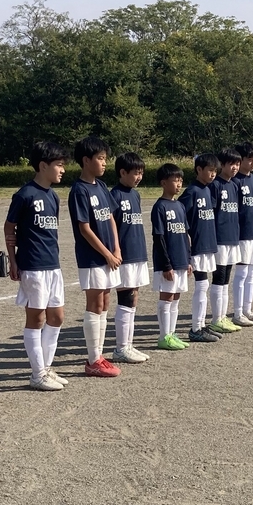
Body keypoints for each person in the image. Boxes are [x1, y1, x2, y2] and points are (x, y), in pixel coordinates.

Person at [5, 141, 69, 392]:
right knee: (37, 317)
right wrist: (12, 259)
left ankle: (46, 367)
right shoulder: (24, 194)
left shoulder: (53, 196)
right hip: (32, 265)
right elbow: (9, 228)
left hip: (52, 265)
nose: (63, 170)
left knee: (57, 316)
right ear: (43, 165)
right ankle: (37, 373)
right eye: (59, 165)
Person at [69, 136, 123, 378]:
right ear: (86, 160)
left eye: (105, 159)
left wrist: (117, 249)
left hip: (109, 255)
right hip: (92, 257)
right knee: (94, 304)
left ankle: (99, 355)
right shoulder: (79, 190)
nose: (104, 163)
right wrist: (106, 254)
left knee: (105, 302)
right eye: (100, 159)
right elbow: (84, 228)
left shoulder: (101, 186)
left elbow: (110, 217)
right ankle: (92, 360)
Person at [110, 152, 151, 364]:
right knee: (125, 298)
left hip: (138, 253)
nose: (139, 177)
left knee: (134, 297)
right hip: (123, 256)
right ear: (122, 172)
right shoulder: (114, 195)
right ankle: (120, 348)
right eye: (135, 173)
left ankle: (128, 344)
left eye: (141, 173)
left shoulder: (135, 195)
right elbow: (110, 228)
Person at [179, 153, 223, 343]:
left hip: (207, 244)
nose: (213, 174)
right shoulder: (192, 191)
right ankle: (196, 327)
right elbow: (180, 214)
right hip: (196, 245)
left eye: (215, 171)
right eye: (210, 170)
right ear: (199, 170)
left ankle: (201, 325)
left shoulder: (208, 190)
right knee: (201, 285)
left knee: (204, 285)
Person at [151, 163, 192, 350]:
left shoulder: (180, 206)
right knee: (166, 297)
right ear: (163, 182)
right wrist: (166, 265)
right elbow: (159, 238)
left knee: (176, 297)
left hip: (181, 259)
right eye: (175, 180)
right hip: (168, 262)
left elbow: (185, 234)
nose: (179, 184)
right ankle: (164, 336)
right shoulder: (160, 207)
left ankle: (172, 333)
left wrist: (188, 260)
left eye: (181, 180)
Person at [207, 148, 243, 334]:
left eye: (237, 163)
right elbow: (211, 214)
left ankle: (222, 317)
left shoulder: (234, 185)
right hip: (220, 240)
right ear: (222, 164)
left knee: (226, 279)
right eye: (231, 164)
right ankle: (215, 319)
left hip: (232, 239)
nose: (235, 167)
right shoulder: (215, 185)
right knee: (218, 278)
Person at [231, 142, 253, 326]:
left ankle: (247, 309)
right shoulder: (235, 181)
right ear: (240, 160)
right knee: (242, 273)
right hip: (242, 235)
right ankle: (237, 313)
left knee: (251, 273)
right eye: (249, 159)